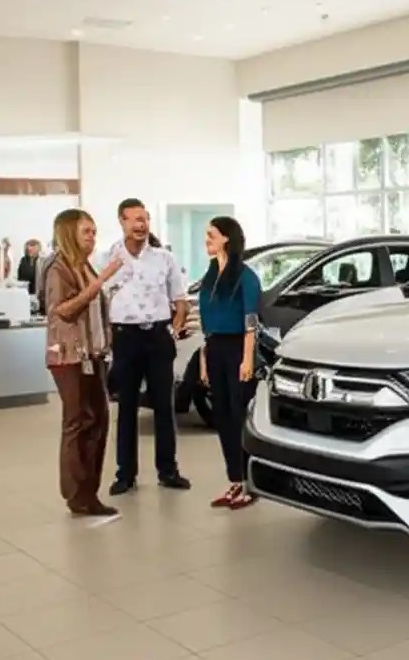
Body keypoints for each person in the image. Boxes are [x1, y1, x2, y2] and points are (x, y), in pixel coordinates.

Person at [105, 198, 191, 495]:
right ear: (122, 221)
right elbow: (100, 300)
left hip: (157, 336)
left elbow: (180, 300)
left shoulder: (164, 258)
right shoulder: (109, 258)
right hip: (125, 337)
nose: (140, 225)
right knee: (126, 406)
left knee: (163, 407)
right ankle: (125, 474)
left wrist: (174, 327)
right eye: (134, 219)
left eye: (145, 219)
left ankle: (168, 470)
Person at [44, 209, 123, 517]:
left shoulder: (84, 266)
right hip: (68, 356)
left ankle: (89, 491)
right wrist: (99, 283)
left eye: (94, 231)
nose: (92, 237)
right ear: (69, 234)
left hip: (93, 355)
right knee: (77, 422)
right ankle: (76, 493)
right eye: (86, 231)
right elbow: (62, 311)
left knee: (98, 421)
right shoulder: (58, 268)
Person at [197, 217, 260, 509]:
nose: (206, 239)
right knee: (221, 417)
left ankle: (250, 484)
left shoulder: (246, 277)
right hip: (215, 348)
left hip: (238, 349)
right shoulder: (210, 276)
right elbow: (206, 322)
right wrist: (204, 360)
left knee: (238, 417)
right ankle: (234, 480)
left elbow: (251, 323)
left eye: (211, 235)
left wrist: (247, 360)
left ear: (226, 238)